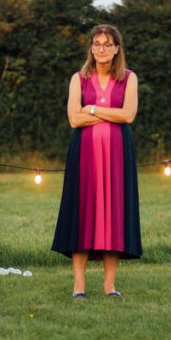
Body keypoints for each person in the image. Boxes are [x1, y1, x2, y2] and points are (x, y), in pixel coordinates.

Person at [52, 24, 142, 298]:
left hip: (117, 156)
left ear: (117, 49)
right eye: (97, 43)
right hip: (85, 156)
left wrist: (91, 108)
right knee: (83, 214)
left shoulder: (129, 78)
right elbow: (74, 119)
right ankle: (79, 286)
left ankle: (109, 286)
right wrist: (108, 113)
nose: (102, 49)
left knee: (114, 216)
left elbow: (128, 116)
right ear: (91, 48)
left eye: (108, 44)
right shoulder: (79, 78)